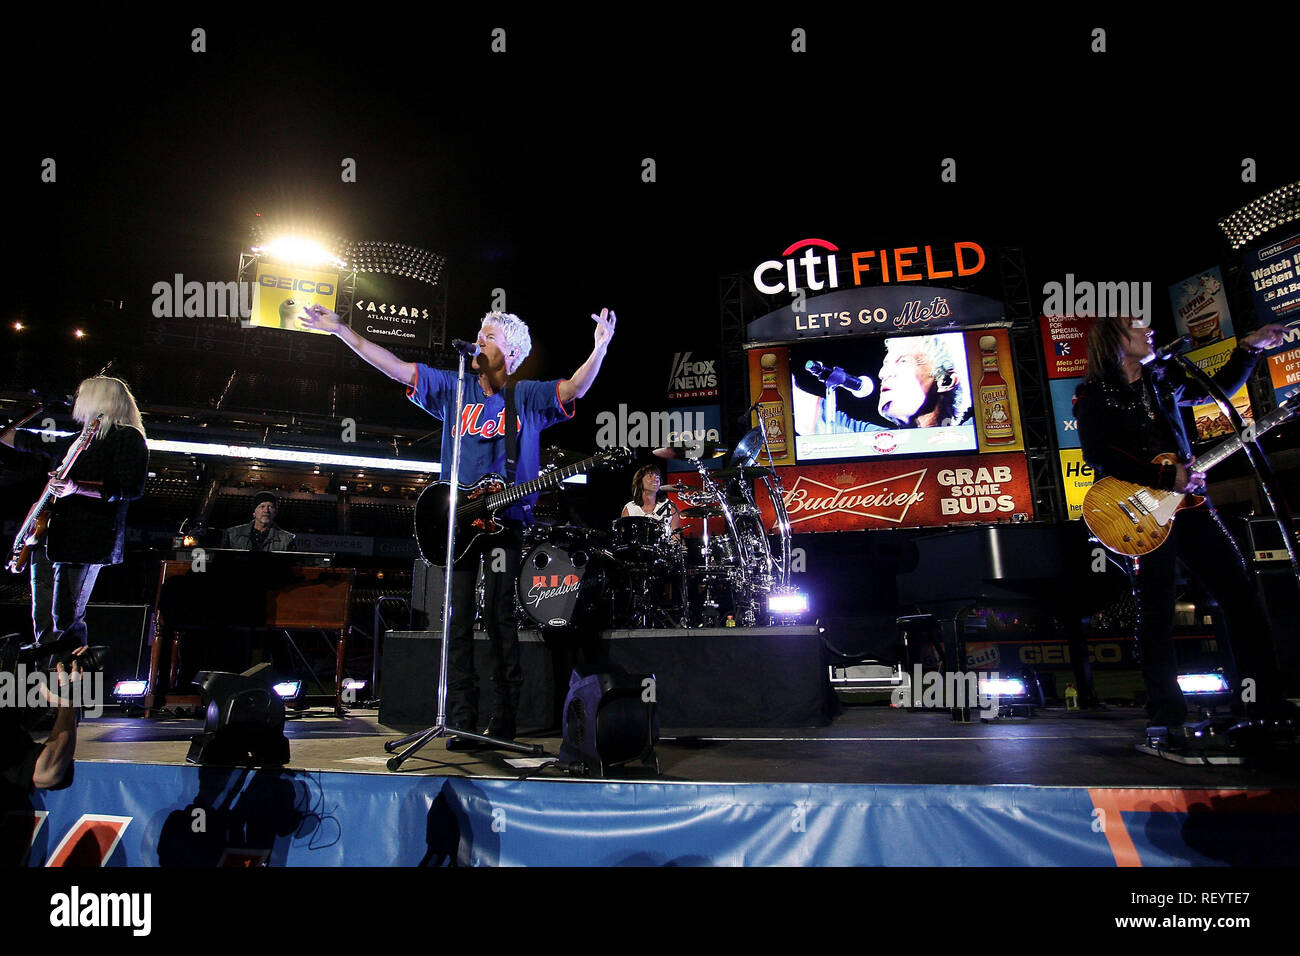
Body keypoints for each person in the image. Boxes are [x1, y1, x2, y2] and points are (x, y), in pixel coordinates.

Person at [300, 304, 616, 747]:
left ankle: (503, 719)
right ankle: (461, 718)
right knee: (458, 620)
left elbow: (576, 385)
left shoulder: (527, 397)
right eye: (478, 333)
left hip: (506, 522)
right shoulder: (454, 388)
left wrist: (599, 348)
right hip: (458, 522)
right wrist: (342, 332)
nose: (477, 340)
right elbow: (395, 367)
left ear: (509, 351)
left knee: (501, 618)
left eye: (485, 336)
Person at [1073, 315, 1292, 744]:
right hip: (1140, 510)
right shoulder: (1093, 394)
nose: (1150, 332)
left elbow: (1216, 391)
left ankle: (1262, 700)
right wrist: (1162, 479)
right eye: (1140, 328)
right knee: (1156, 608)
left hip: (1190, 506)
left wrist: (1249, 348)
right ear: (1115, 340)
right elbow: (1099, 454)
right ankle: (1166, 710)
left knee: (1238, 592)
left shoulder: (1163, 376)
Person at [0, 376, 148, 663]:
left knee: (65, 615)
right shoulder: (80, 439)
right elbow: (20, 441)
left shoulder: (127, 438)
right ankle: (47, 679)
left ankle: (69, 692)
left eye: (83, 395)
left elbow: (131, 487)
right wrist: (32, 411)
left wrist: (76, 487)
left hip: (85, 538)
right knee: (42, 612)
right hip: (48, 534)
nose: (77, 400)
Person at [794, 334, 972, 435]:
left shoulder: (973, 434)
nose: (883, 374)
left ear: (945, 380)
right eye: (886, 364)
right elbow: (796, 404)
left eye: (903, 362)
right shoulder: (875, 439)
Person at [221, 492, 295, 551]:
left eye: (270, 507)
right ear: (254, 512)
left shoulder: (287, 539)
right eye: (262, 506)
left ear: (275, 512)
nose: (266, 511)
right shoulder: (232, 534)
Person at [621, 465, 683, 534]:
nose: (656, 479)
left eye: (658, 477)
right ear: (640, 481)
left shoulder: (669, 506)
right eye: (650, 476)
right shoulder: (629, 509)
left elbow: (677, 537)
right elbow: (624, 538)